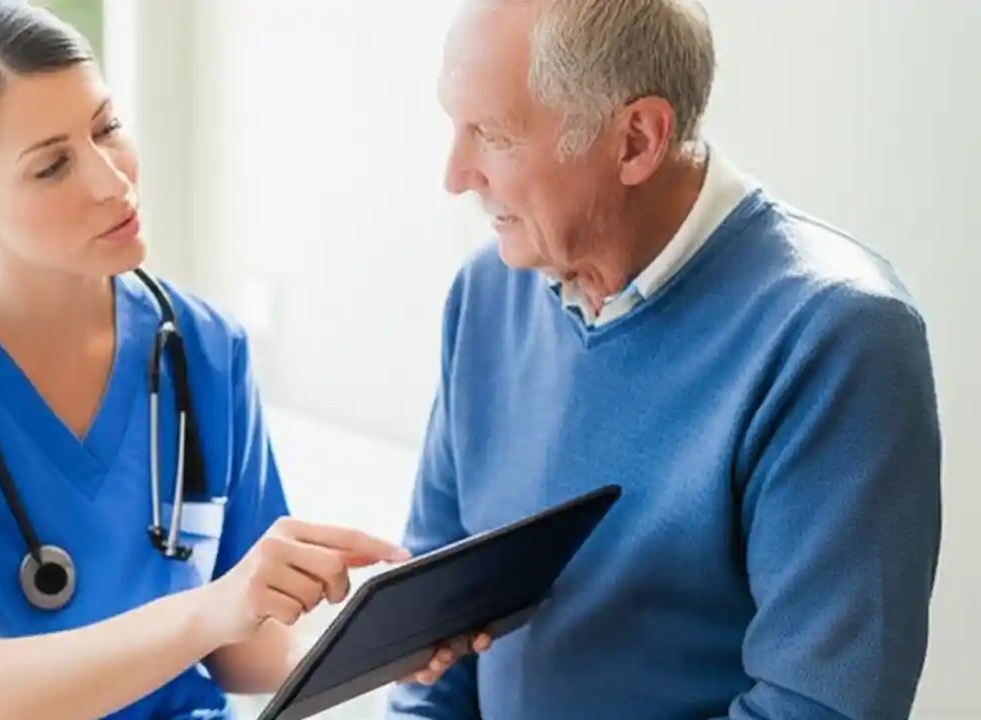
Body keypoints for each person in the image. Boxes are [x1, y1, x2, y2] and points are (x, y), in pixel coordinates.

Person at [0, 2, 469, 718]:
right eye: (52, 166)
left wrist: (381, 645)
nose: (111, 181)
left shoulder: (205, 350)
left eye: (107, 128)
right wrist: (213, 608)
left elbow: (242, 649)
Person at [386, 0, 942, 718]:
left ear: (637, 141)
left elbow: (817, 708)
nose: (456, 174)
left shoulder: (838, 335)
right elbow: (433, 640)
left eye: (491, 135)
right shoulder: (487, 293)